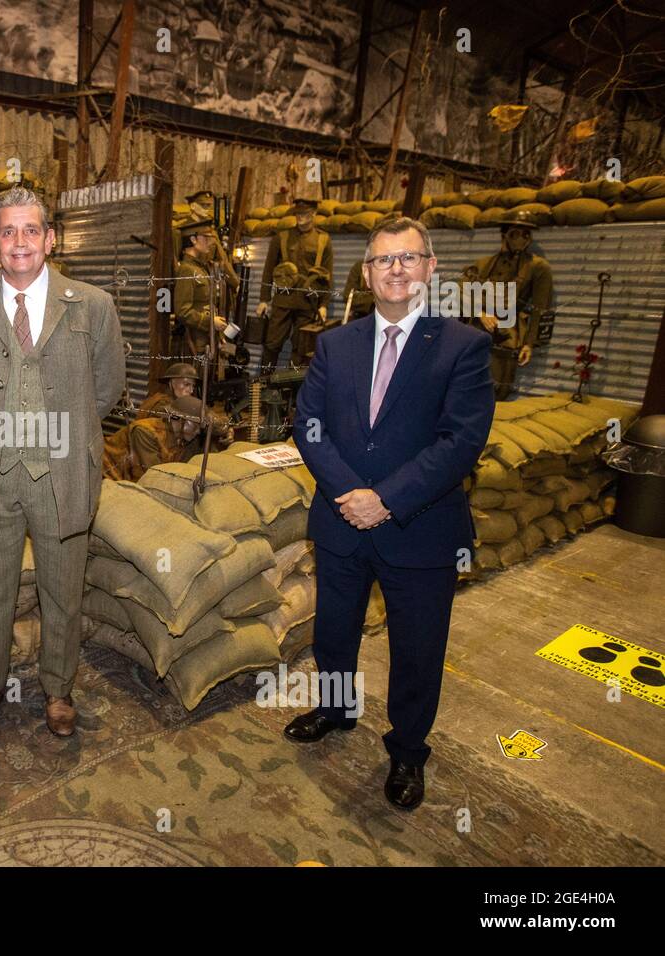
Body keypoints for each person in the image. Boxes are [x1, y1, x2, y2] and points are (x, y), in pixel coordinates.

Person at [290, 216, 493, 810]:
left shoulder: (463, 346)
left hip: (420, 527)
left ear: (430, 268)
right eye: (383, 260)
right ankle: (334, 708)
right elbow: (310, 424)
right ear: (368, 272)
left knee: (417, 647)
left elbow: (461, 441)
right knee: (333, 631)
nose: (396, 269)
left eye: (408, 258)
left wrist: (387, 499)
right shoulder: (336, 343)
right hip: (341, 521)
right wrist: (350, 493)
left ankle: (407, 751)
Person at [0, 186, 125, 740]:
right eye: (7, 232)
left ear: (49, 239)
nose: (19, 242)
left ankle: (59, 689)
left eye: (30, 231)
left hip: (61, 473)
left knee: (63, 588)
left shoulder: (92, 305)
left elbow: (107, 389)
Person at [461, 209, 553, 400]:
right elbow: (460, 291)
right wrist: (480, 313)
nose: (522, 239)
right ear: (505, 235)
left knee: (497, 391)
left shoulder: (537, 267)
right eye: (516, 234)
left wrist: (529, 344)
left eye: (526, 234)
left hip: (506, 337)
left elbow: (540, 307)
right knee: (465, 387)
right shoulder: (484, 264)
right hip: (476, 335)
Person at [256, 197, 333, 373]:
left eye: (305, 213)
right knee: (272, 344)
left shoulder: (323, 240)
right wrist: (263, 299)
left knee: (301, 348)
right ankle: (262, 387)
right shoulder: (281, 237)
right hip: (283, 300)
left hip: (308, 303)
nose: (300, 217)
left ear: (313, 214)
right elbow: (269, 270)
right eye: (298, 213)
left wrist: (323, 304)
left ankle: (291, 392)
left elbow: (327, 275)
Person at [102, 394, 207, 482]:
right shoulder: (145, 432)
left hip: (120, 480)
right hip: (103, 472)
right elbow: (153, 477)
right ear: (178, 418)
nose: (198, 431)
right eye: (195, 425)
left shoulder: (180, 439)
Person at [173, 219, 229, 361]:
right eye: (206, 237)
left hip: (207, 339)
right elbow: (182, 311)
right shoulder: (186, 269)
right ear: (193, 239)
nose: (210, 242)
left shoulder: (201, 268)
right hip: (194, 343)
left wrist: (219, 336)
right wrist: (211, 322)